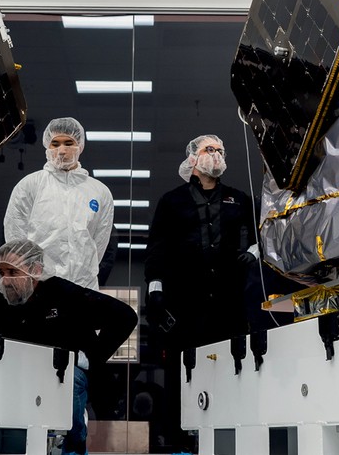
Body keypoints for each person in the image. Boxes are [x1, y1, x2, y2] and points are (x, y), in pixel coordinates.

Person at [143, 134, 260, 453]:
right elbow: (156, 249)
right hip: (184, 301)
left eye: (221, 150)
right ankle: (180, 440)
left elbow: (263, 235)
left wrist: (252, 253)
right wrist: (155, 291)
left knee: (229, 366)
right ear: (193, 158)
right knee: (182, 369)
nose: (218, 154)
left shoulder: (239, 199)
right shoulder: (172, 202)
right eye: (210, 149)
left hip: (228, 301)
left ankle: (228, 437)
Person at [0, 239, 138, 455]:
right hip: (24, 375)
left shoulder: (64, 294)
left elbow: (124, 316)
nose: (5, 281)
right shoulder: (3, 300)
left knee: (72, 378)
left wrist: (91, 358)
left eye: (12, 271)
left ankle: (73, 447)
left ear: (35, 270)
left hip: (65, 376)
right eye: (1, 273)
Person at [4, 117, 113, 291]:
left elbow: (98, 243)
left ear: (81, 146)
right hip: (40, 286)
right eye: (55, 144)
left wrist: (82, 271)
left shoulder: (99, 192)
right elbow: (15, 235)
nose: (62, 150)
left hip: (83, 287)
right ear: (47, 146)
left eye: (69, 143)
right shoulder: (30, 185)